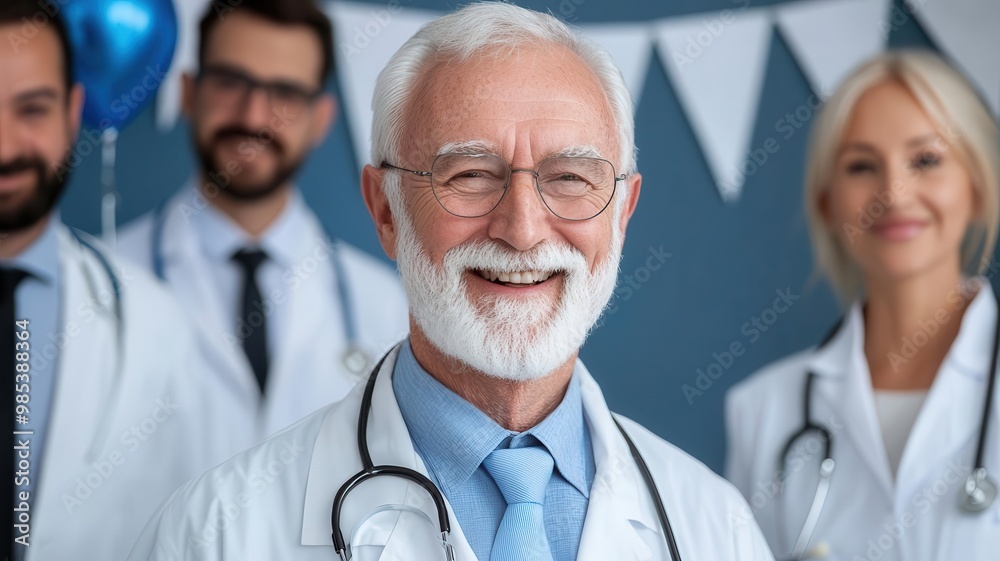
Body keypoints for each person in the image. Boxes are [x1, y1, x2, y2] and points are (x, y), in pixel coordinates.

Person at [127, 3, 773, 560]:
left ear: (623, 213)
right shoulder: (217, 531)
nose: (522, 229)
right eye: (468, 174)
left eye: (571, 178)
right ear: (386, 210)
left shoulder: (716, 527)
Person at [725, 50, 1000, 560]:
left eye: (926, 160)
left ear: (978, 185)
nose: (893, 194)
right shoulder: (761, 409)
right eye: (861, 166)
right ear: (828, 202)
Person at [116, 0, 408, 449]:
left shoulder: (384, 306)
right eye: (232, 82)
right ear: (190, 92)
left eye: (286, 94)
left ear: (320, 120)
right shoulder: (105, 281)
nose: (253, 116)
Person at [0, 1, 219, 558]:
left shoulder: (154, 325)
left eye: (32, 109)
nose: (4, 146)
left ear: (73, 112)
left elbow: (188, 538)